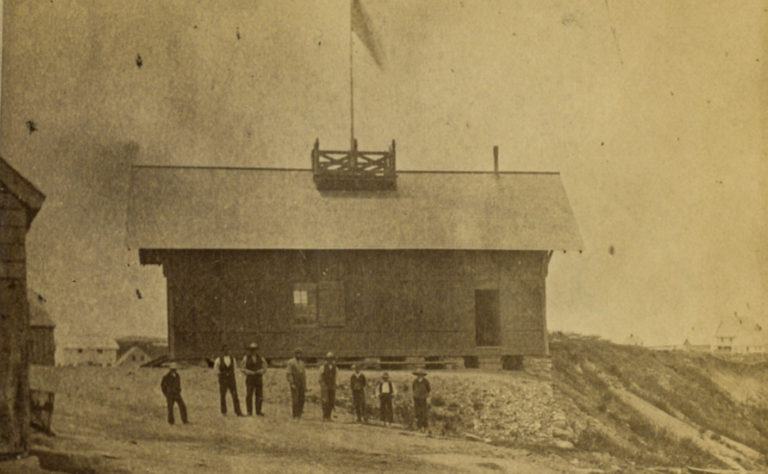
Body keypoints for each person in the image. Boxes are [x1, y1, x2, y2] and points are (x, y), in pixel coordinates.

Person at [213, 344, 243, 416]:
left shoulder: (233, 359)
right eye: (225, 350)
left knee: (235, 395)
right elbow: (216, 370)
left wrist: (231, 376)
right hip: (223, 380)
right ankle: (224, 411)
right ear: (222, 351)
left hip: (231, 379)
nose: (227, 351)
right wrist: (221, 377)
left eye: (228, 350)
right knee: (223, 395)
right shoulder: (218, 360)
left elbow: (235, 369)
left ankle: (238, 411)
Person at [240, 342, 267, 416]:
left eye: (255, 349)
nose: (253, 351)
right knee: (249, 394)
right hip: (250, 378)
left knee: (259, 395)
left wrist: (261, 371)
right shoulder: (245, 358)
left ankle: (258, 411)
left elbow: (265, 367)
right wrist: (249, 372)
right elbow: (242, 368)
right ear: (250, 350)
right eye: (252, 350)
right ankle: (249, 411)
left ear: (257, 350)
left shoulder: (261, 358)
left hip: (258, 378)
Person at [285, 348, 307, 419]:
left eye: (300, 354)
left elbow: (304, 375)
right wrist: (292, 383)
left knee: (302, 398)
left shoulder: (302, 363)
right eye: (297, 354)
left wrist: (305, 385)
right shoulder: (291, 362)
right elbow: (289, 373)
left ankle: (299, 413)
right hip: (295, 382)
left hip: (301, 383)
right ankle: (295, 414)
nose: (299, 355)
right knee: (295, 399)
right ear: (295, 354)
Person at [319, 352, 337, 421]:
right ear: (326, 359)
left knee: (331, 400)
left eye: (331, 358)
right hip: (325, 385)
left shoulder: (335, 367)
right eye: (329, 359)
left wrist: (335, 384)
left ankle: (329, 416)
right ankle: (324, 416)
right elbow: (320, 377)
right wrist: (322, 385)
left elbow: (336, 376)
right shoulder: (322, 367)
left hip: (332, 385)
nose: (330, 360)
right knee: (325, 401)